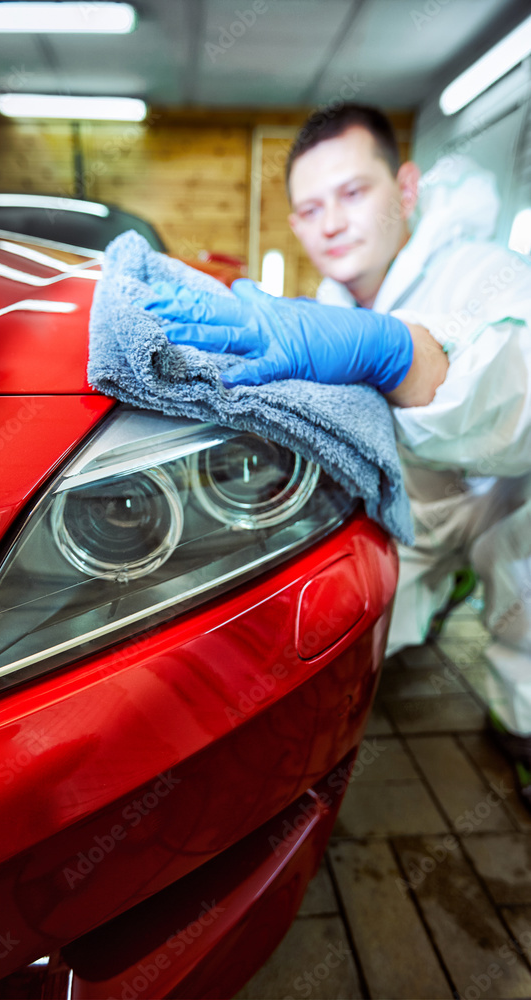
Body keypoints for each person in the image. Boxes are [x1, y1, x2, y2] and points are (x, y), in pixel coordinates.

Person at [141, 104, 531, 808]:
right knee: (353, 627)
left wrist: (391, 350)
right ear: (294, 225)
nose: (332, 222)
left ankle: (522, 732)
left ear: (406, 190)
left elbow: (515, 399)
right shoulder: (323, 302)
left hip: (508, 498)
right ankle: (433, 607)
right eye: (310, 207)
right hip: (417, 508)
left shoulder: (484, 269)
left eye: (354, 193)